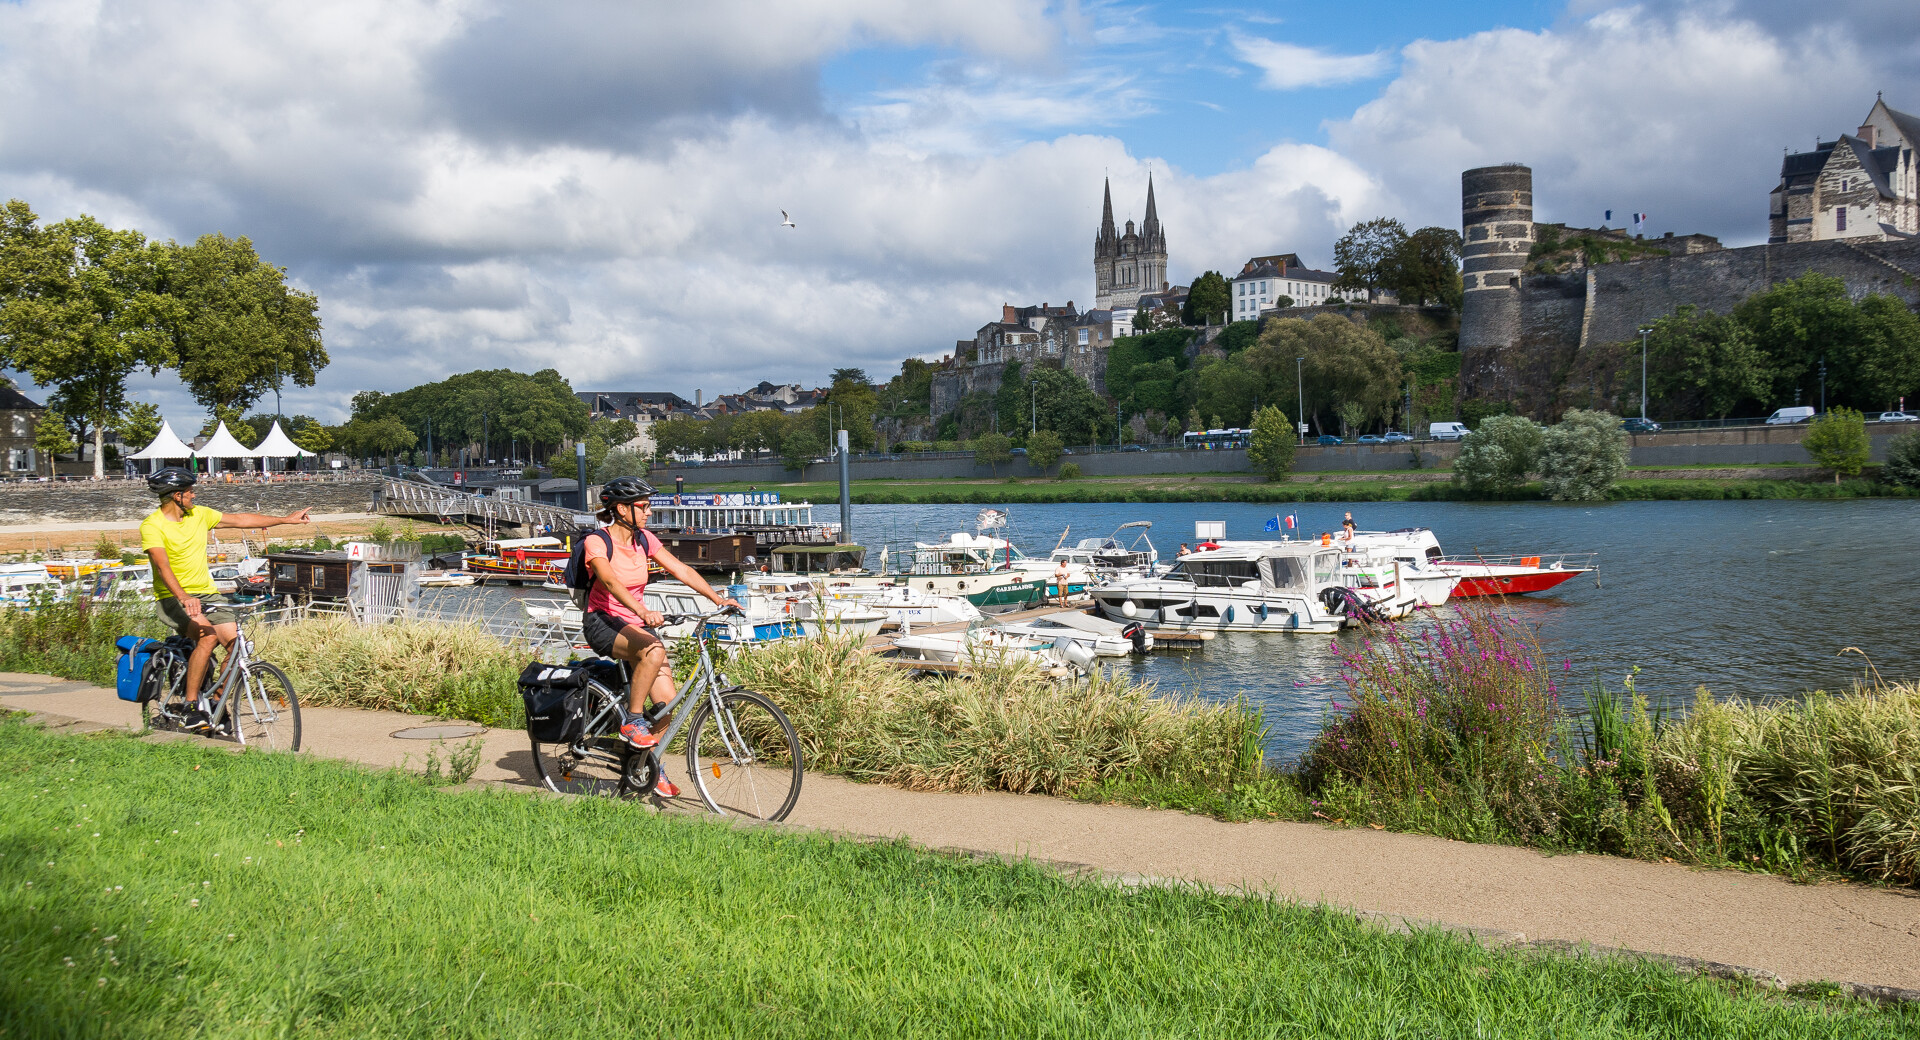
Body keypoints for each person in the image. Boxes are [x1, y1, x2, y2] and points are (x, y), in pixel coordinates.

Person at [580, 477, 741, 798]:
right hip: (602, 622)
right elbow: (610, 582)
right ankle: (633, 722)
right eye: (643, 506)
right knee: (653, 649)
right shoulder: (597, 542)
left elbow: (681, 569)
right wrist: (642, 611)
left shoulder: (645, 540)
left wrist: (717, 599)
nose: (649, 512)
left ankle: (646, 765)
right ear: (621, 509)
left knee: (667, 705)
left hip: (634, 624)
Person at [140, 468, 311, 731]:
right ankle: (191, 706)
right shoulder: (152, 526)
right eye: (189, 493)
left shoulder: (200, 515)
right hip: (172, 597)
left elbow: (241, 519)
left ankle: (217, 704)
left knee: (237, 645)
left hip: (208, 594)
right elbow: (162, 567)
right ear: (177, 496)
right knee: (207, 636)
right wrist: (184, 597)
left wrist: (285, 520)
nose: (194, 496)